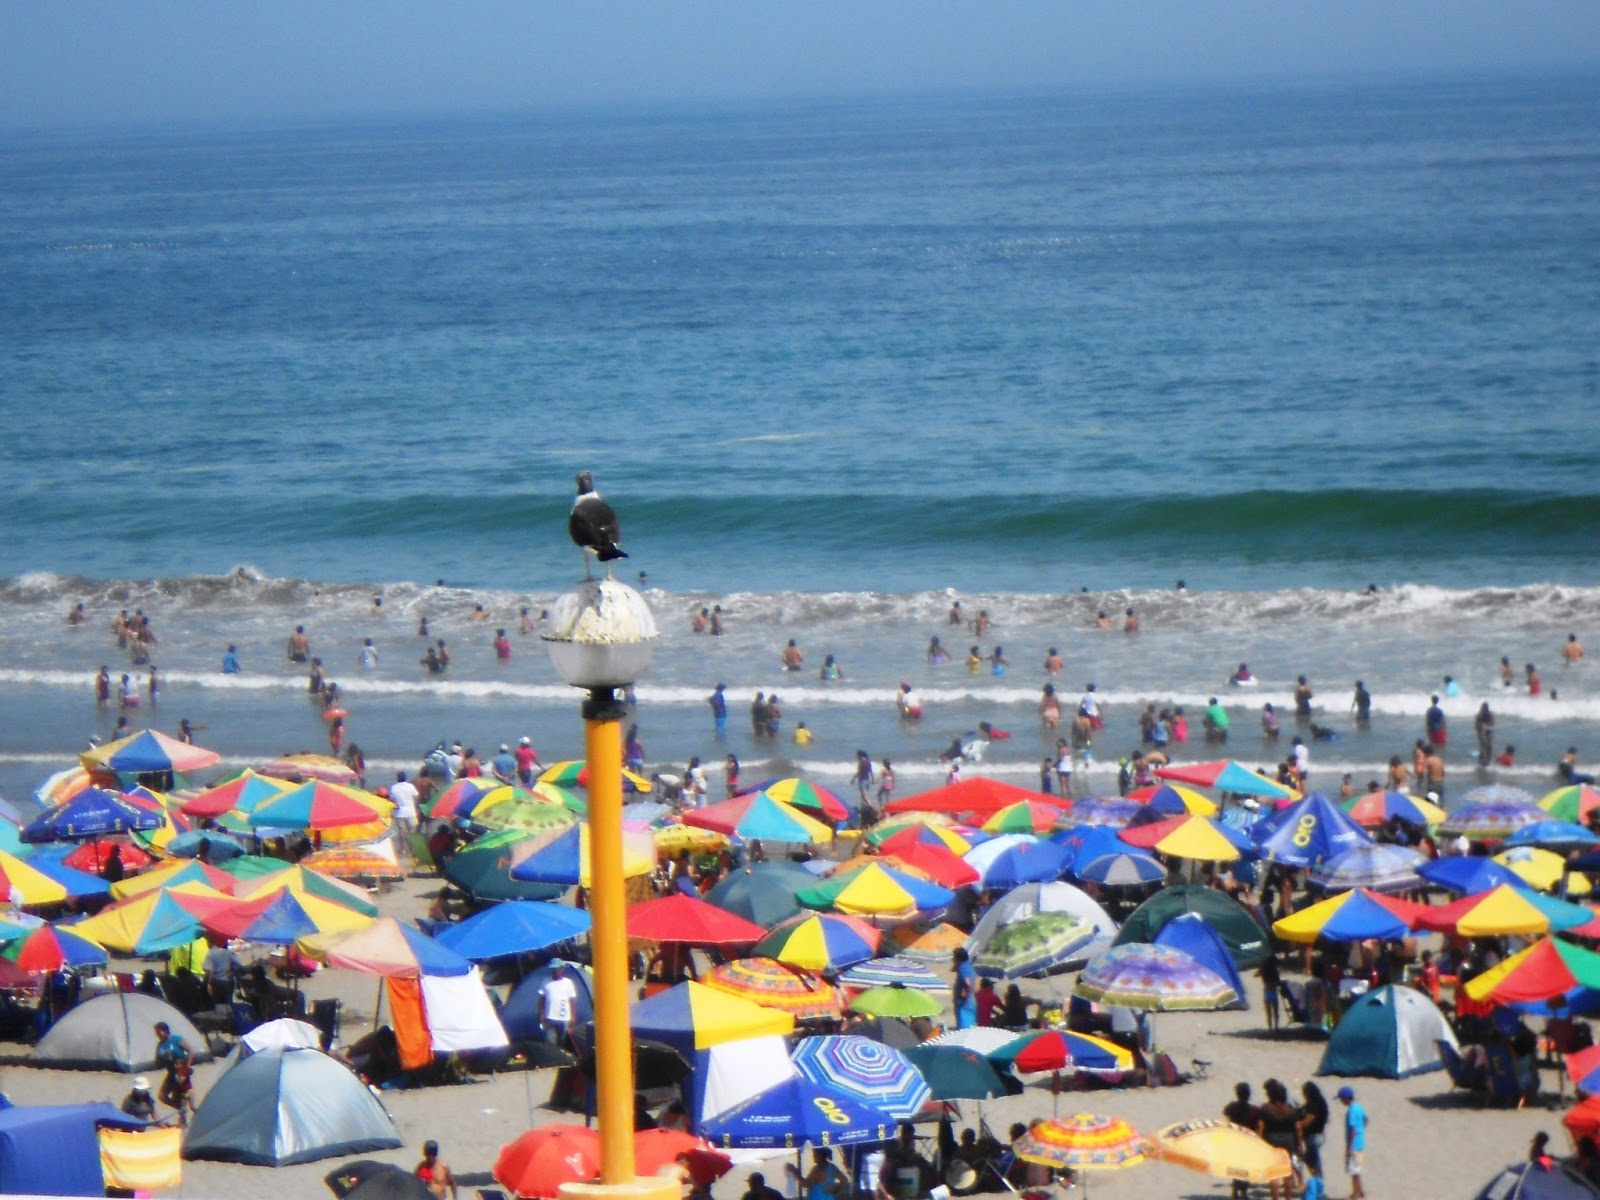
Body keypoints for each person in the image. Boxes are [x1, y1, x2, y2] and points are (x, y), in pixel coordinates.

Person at [153, 1021, 195, 1125]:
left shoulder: (176, 1039)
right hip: (170, 1071)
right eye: (156, 1033)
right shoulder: (160, 1045)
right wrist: (163, 1058)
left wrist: (188, 1065)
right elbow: (157, 1062)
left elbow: (190, 1051)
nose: (158, 1035)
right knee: (162, 1096)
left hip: (181, 1069)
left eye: (159, 1032)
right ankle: (181, 1108)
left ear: (165, 1031)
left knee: (180, 1093)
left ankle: (184, 1117)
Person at [1222, 1083, 1259, 1200]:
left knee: (1235, 1166)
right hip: (1248, 1139)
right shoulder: (1254, 1110)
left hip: (1235, 1138)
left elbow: (1226, 1117)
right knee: (1246, 1167)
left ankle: (1235, 1191)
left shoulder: (1231, 1107)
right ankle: (1243, 1192)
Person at [877, 1124, 932, 1200]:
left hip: (906, 1175)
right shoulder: (897, 1145)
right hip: (898, 1176)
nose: (910, 1136)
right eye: (909, 1134)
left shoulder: (908, 1144)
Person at [1336, 1086, 1366, 1200]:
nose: (1341, 1101)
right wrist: (1361, 1130)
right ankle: (1360, 1191)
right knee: (1357, 1169)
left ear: (1346, 1098)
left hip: (1354, 1145)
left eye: (1341, 1099)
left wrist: (1349, 1147)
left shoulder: (1352, 1111)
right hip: (1361, 1143)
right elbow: (1365, 1119)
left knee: (1354, 1171)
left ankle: (1356, 1194)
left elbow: (1352, 1129)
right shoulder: (1358, 1107)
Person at [540, 963, 579, 1047]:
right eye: (554, 969)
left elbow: (572, 1001)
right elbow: (542, 999)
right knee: (549, 1042)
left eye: (558, 969)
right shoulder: (545, 981)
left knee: (562, 1041)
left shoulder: (568, 982)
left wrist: (573, 1017)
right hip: (549, 1017)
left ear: (562, 969)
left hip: (564, 1018)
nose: (556, 971)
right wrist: (542, 1015)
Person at [1297, 1080, 1329, 1179]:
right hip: (1319, 1134)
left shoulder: (1313, 1105)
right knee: (1312, 1159)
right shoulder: (1320, 1101)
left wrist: (1299, 1123)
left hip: (1313, 1136)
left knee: (1312, 1160)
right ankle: (1318, 1180)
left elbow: (1308, 1120)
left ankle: (1318, 1182)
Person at [952, 948, 977, 1029]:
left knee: (963, 1032)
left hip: (964, 1005)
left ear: (958, 958)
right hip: (970, 1003)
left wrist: (964, 994)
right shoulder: (968, 966)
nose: (952, 959)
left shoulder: (962, 967)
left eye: (954, 957)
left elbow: (967, 983)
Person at [1259, 953, 1281, 1032]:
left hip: (1266, 991)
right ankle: (1276, 1026)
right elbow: (1278, 982)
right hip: (1274, 991)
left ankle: (1269, 1026)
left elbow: (1255, 975)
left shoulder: (1263, 970)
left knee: (1268, 1011)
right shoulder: (1275, 971)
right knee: (1275, 1010)